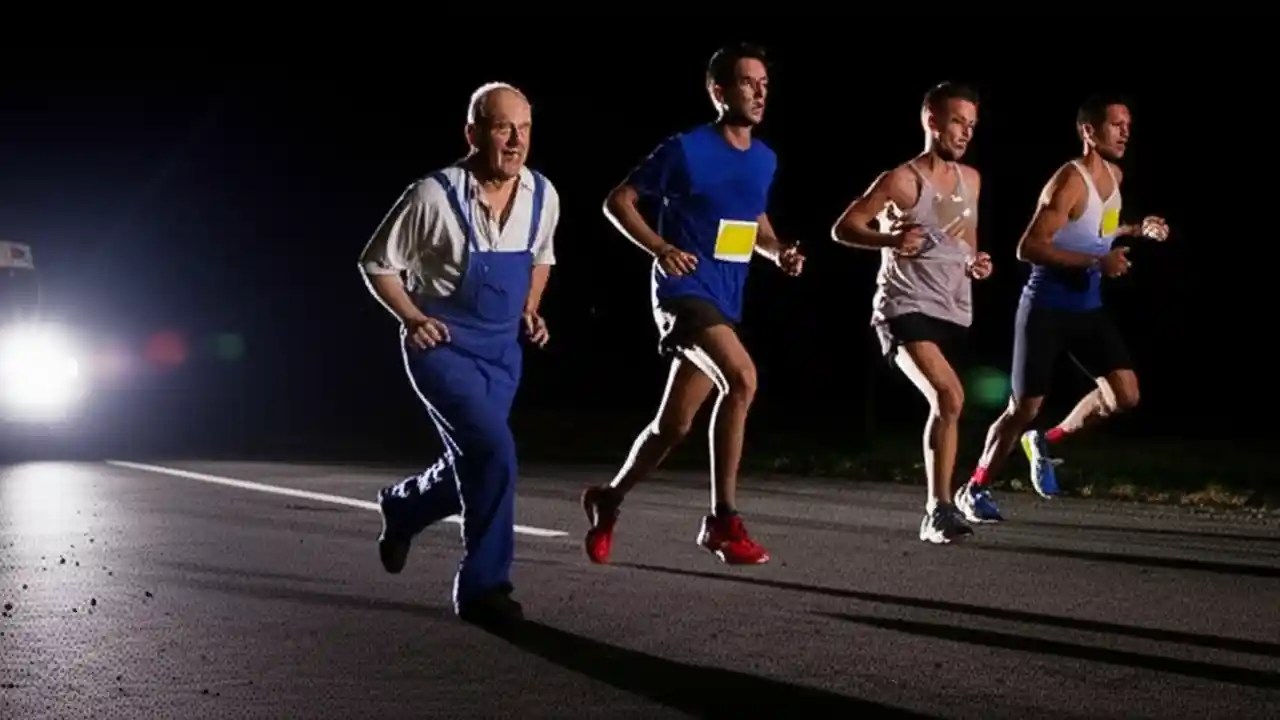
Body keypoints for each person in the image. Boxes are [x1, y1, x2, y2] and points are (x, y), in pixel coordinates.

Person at [581, 42, 804, 566]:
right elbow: (618, 201)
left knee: (674, 426)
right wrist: (661, 248)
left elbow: (754, 223)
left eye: (764, 85)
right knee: (742, 379)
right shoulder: (685, 149)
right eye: (747, 83)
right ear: (718, 91)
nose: (759, 93)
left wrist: (778, 252)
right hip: (683, 293)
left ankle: (608, 498)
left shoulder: (765, 159)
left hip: (725, 298)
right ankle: (722, 520)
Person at [359, 82, 560, 627]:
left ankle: (405, 506)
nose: (516, 141)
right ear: (473, 133)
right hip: (442, 351)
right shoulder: (432, 195)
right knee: (496, 454)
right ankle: (483, 589)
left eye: (524, 129)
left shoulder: (543, 194)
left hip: (502, 356)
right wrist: (413, 317)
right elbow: (376, 264)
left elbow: (541, 257)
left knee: (477, 461)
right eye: (503, 128)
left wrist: (531, 308)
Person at [958, 93, 1169, 517]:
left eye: (1128, 125)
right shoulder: (1069, 181)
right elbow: (1029, 247)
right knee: (1023, 408)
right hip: (1046, 307)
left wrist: (1137, 228)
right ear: (1089, 130)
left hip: (1087, 308)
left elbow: (1100, 230)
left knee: (1125, 395)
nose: (1125, 132)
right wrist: (1097, 262)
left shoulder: (1115, 175)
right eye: (1116, 125)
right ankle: (974, 488)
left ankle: (1044, 441)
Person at [831, 81, 992, 544]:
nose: (966, 132)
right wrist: (890, 239)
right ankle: (938, 509)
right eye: (958, 122)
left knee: (949, 404)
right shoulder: (902, 180)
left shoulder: (972, 179)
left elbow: (966, 239)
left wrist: (976, 263)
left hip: (952, 307)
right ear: (932, 121)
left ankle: (943, 504)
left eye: (972, 125)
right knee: (949, 396)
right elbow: (844, 228)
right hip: (903, 306)